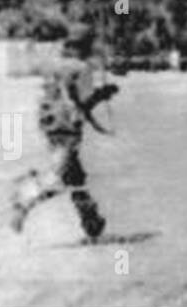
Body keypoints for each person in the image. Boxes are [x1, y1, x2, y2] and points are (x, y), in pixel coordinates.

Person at [10, 60, 119, 239]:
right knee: (59, 175)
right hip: (66, 125)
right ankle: (23, 201)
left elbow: (65, 95)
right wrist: (102, 94)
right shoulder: (82, 68)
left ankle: (91, 221)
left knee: (76, 177)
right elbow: (82, 102)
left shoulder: (59, 64)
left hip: (52, 122)